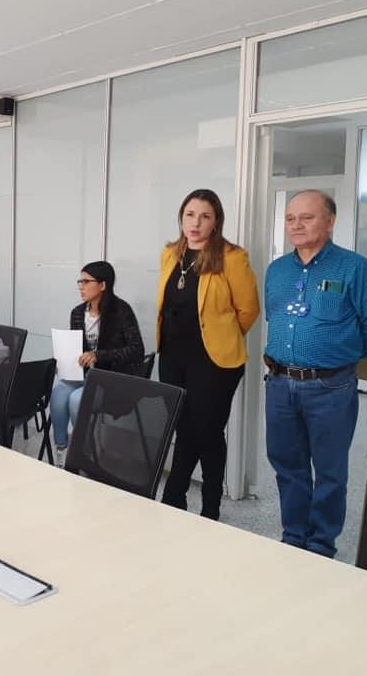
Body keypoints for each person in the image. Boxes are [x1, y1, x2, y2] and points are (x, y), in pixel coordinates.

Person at [265, 189, 367, 558]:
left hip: (330, 387)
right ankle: (293, 537)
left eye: (307, 217)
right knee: (287, 466)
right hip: (279, 384)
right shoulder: (277, 269)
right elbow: (275, 317)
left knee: (330, 471)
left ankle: (321, 545)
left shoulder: (355, 269)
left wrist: (343, 355)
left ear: (330, 221)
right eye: (290, 219)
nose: (297, 225)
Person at [157, 189, 260, 520]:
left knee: (207, 430)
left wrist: (223, 336)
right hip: (173, 356)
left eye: (205, 216)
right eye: (190, 214)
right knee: (182, 427)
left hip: (215, 362)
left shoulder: (231, 257)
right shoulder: (171, 253)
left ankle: (210, 505)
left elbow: (249, 310)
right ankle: (176, 498)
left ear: (216, 221)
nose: (196, 223)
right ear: (181, 217)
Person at [49, 261, 144, 467]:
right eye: (79, 281)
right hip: (84, 377)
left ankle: (83, 450)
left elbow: (137, 350)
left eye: (86, 281)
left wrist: (99, 355)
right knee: (58, 393)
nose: (80, 286)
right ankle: (62, 451)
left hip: (111, 381)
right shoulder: (77, 313)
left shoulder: (121, 311)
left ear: (103, 285)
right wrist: (66, 361)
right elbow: (77, 349)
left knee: (75, 399)